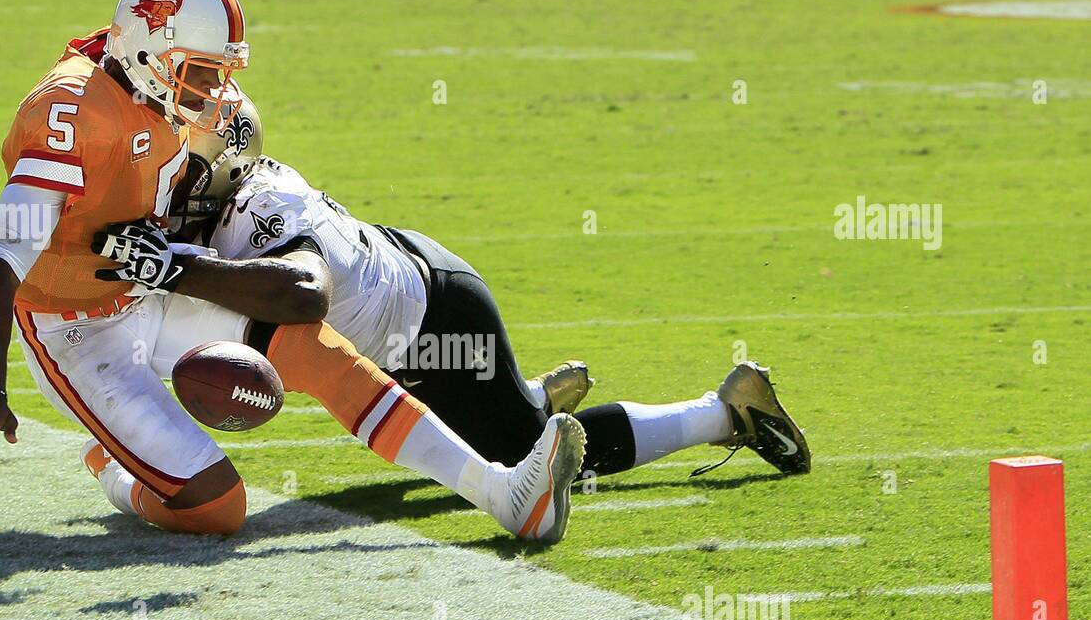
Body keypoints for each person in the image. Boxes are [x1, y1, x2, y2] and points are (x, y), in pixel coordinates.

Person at [0, 0, 586, 544]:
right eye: (200, 72)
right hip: (74, 331)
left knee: (313, 345)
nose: (211, 91)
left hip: (142, 290)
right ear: (150, 51)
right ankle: (117, 472)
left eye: (221, 73)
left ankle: (502, 493)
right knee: (219, 510)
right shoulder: (69, 115)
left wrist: (165, 263)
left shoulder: (152, 84)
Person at [170, 93, 812, 482]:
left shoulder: (260, 207)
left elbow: (305, 295)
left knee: (528, 459)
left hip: (438, 319)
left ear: (223, 164)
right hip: (399, 308)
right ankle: (533, 395)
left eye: (184, 168)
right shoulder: (225, 201)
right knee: (471, 441)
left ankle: (728, 411)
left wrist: (180, 268)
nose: (171, 180)